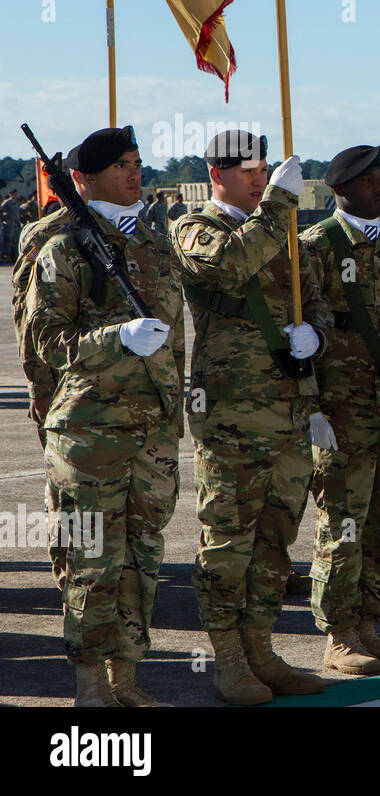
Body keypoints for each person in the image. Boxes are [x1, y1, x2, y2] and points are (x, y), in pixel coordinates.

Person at [26, 126, 185, 706]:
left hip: (153, 432)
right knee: (92, 562)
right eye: (122, 164)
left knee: (143, 559)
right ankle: (91, 684)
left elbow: (175, 338)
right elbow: (48, 340)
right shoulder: (63, 249)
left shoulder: (154, 244)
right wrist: (115, 338)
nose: (134, 172)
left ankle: (127, 676)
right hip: (89, 433)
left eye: (138, 162)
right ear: (86, 178)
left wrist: (175, 411)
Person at [173, 130, 330, 705]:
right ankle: (229, 660)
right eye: (248, 171)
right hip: (231, 413)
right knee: (228, 541)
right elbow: (232, 265)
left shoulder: (281, 228)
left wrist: (316, 332)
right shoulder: (195, 228)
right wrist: (280, 206)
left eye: (264, 170)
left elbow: (312, 297)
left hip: (289, 407)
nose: (260, 179)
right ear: (216, 173)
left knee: (275, 540)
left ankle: (262, 648)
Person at [300, 145, 380, 674]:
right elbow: (297, 336)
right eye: (368, 180)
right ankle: (338, 633)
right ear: (340, 190)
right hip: (340, 411)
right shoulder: (316, 245)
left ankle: (370, 624)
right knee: (342, 523)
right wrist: (311, 409)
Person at [13, 171, 90, 591]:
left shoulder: (125, 229)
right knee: (64, 486)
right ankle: (68, 570)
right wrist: (38, 386)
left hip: (109, 383)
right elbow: (28, 314)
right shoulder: (48, 234)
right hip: (59, 378)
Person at [2, 189, 22, 261]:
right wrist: (5, 219)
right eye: (14, 194)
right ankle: (7, 255)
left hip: (16, 224)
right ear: (10, 194)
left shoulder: (17, 203)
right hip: (9, 224)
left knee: (16, 240)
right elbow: (1, 211)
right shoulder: (7, 202)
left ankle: (14, 256)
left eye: (16, 194)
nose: (15, 195)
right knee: (9, 241)